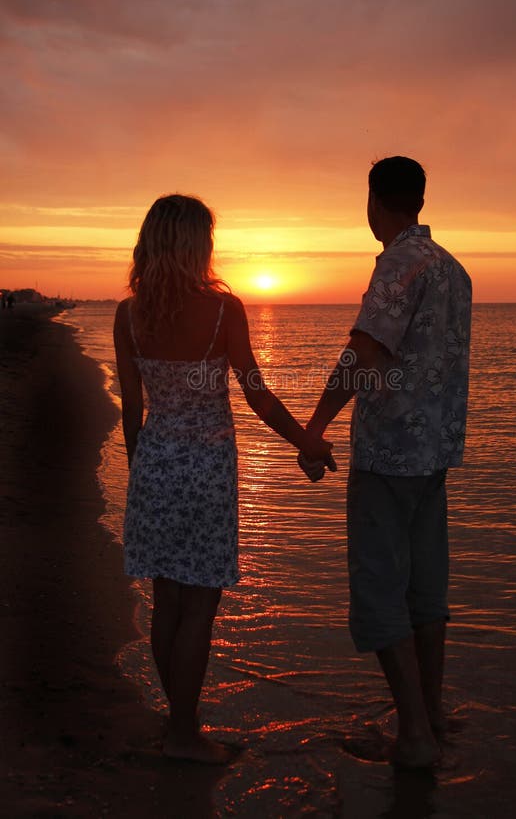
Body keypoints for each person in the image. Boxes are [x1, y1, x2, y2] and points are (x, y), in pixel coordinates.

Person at [113, 194, 335, 763]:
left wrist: (140, 472)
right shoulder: (222, 311)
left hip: (155, 466)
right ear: (197, 245)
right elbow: (256, 394)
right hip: (207, 470)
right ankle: (183, 736)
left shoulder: (128, 315)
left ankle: (178, 722)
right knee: (200, 606)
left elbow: (132, 409)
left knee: (167, 601)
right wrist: (306, 442)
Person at [299, 156, 471, 768]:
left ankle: (416, 737)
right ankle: (431, 716)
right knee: (425, 590)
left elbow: (365, 350)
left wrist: (315, 427)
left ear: (374, 200)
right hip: (433, 456)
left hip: (390, 454)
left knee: (380, 591)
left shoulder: (399, 264)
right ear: (419, 199)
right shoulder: (453, 269)